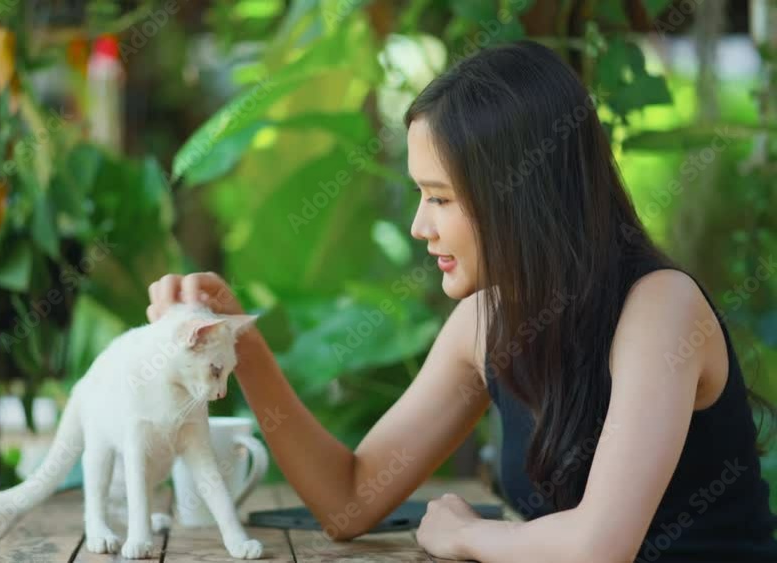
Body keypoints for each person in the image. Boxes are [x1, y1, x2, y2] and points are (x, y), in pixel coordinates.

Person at [146, 40, 777, 562]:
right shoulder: (487, 321)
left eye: (440, 198)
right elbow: (349, 500)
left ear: (520, 197)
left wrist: (466, 534)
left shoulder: (658, 311)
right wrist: (240, 342)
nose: (421, 225)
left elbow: (598, 547)